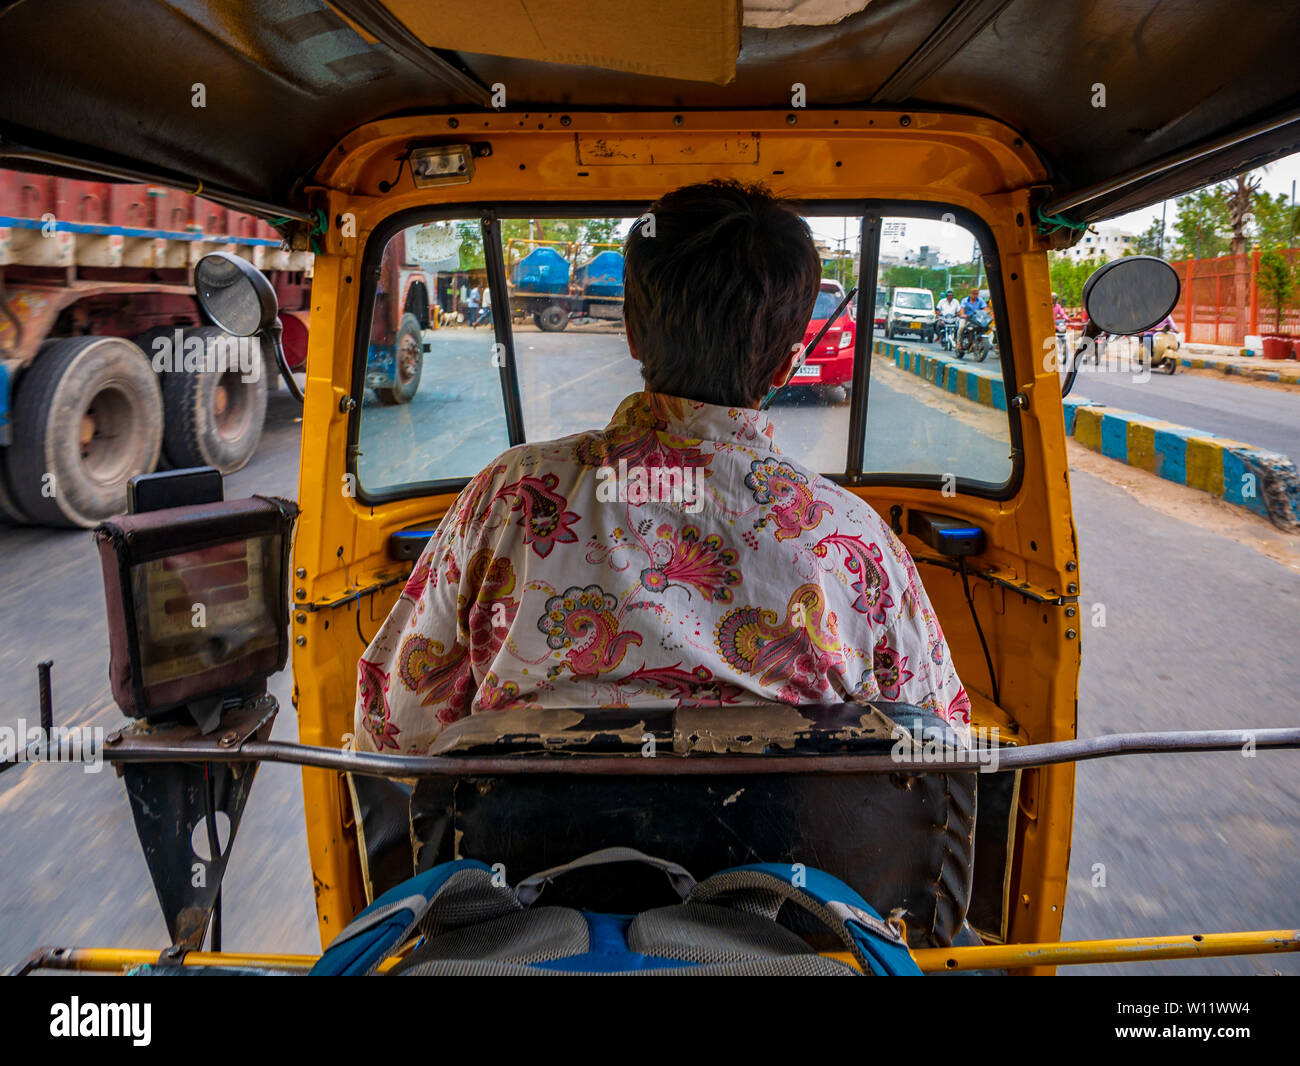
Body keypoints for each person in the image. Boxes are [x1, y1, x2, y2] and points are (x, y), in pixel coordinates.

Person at [354, 180, 970, 756]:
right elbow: (942, 750)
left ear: (630, 335)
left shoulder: (512, 496)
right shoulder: (860, 547)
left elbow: (393, 727)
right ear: (786, 367)